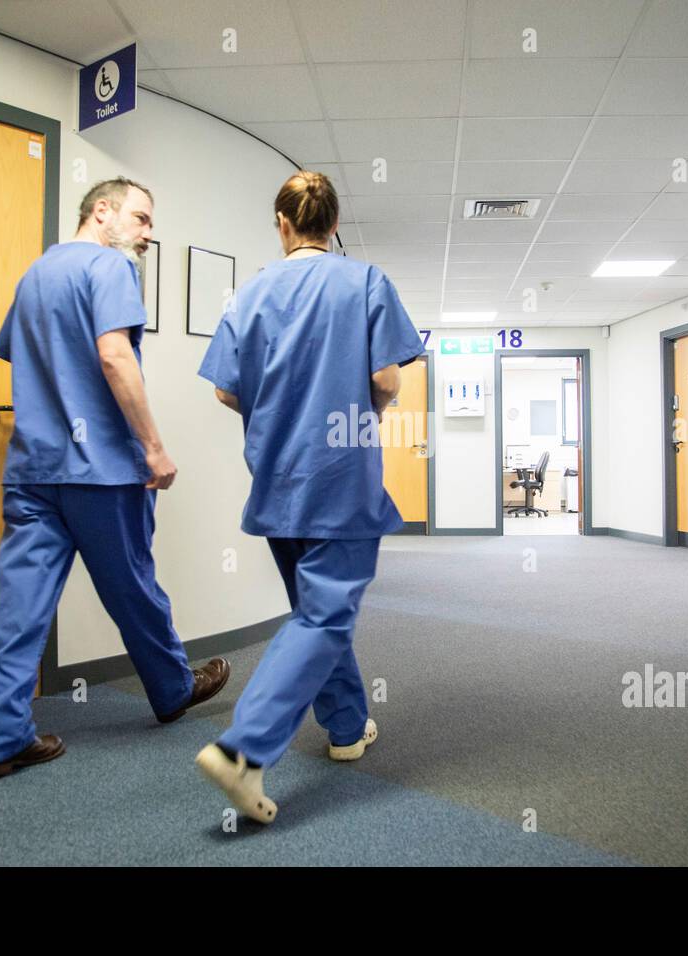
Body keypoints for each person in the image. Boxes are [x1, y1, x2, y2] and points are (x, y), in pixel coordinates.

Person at [0, 177, 230, 780]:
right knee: (132, 586)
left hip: (34, 470)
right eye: (141, 218)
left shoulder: (35, 275)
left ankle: (1, 738)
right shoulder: (109, 268)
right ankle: (171, 690)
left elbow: (24, 355)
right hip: (102, 470)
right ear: (102, 211)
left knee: (20, 606)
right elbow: (114, 357)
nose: (147, 233)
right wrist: (154, 448)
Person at [194, 170, 424, 822]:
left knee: (315, 612)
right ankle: (244, 750)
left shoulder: (251, 293)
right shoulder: (365, 281)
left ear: (283, 224)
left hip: (277, 477)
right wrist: (365, 405)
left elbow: (224, 390)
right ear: (332, 225)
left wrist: (277, 407)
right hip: (340, 478)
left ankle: (347, 727)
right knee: (324, 616)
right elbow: (386, 378)